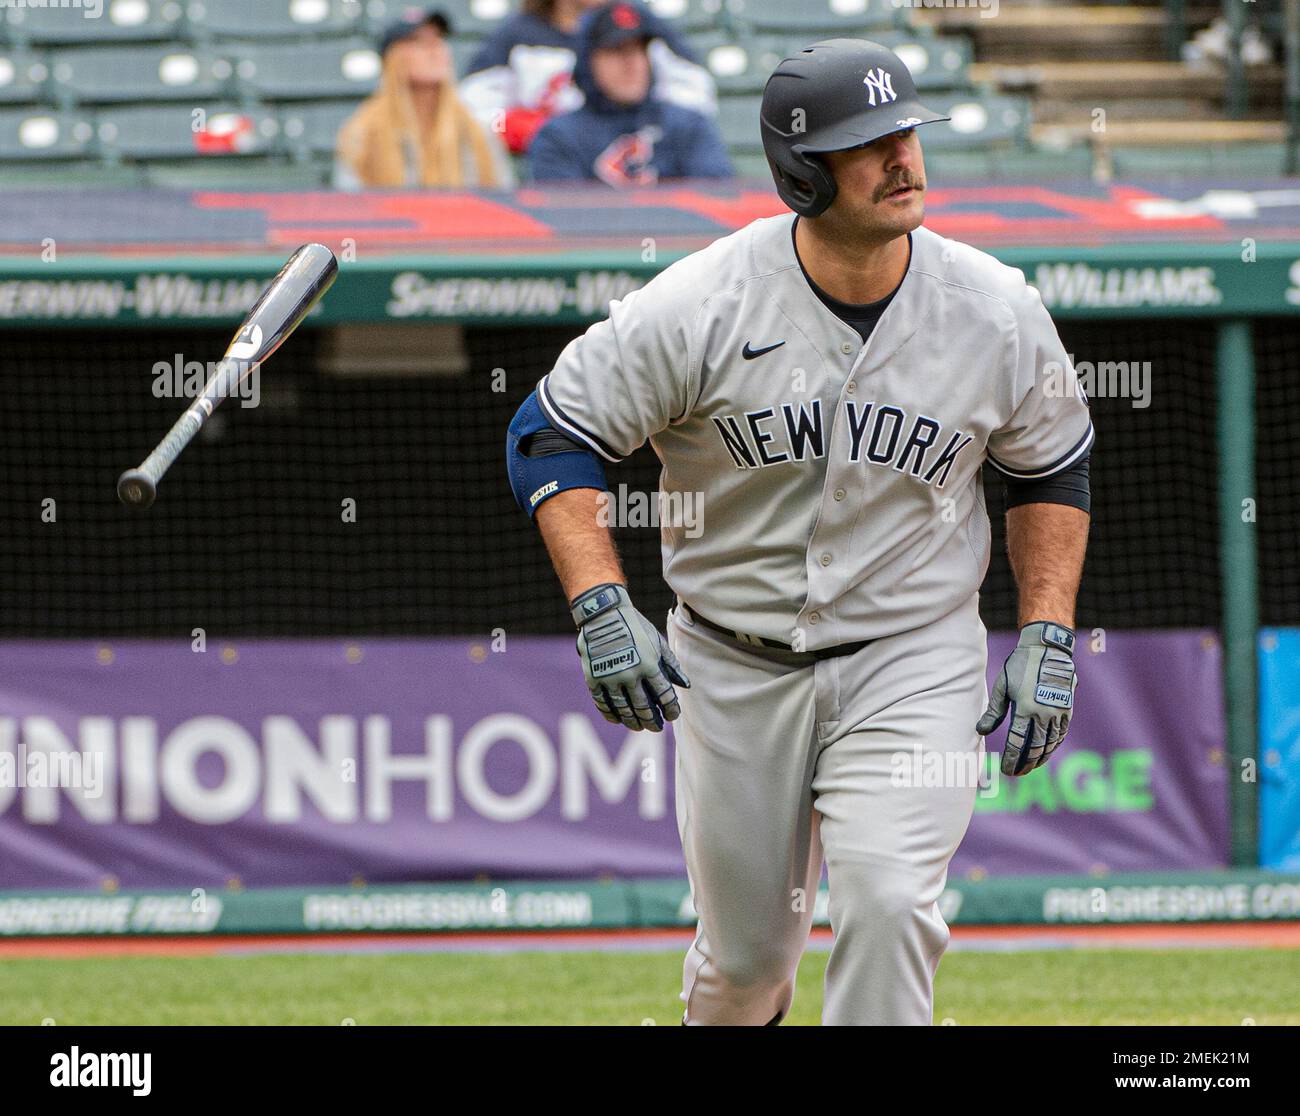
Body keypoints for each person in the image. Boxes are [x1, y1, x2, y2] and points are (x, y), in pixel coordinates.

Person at [505, 40, 1092, 1025]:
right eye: (867, 144)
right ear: (799, 170)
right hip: (732, 665)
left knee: (890, 902)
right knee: (744, 963)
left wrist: (1046, 630)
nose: (902, 159)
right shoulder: (701, 301)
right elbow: (550, 434)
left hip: (912, 654)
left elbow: (1050, 466)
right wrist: (600, 606)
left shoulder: (994, 309)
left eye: (907, 132)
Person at [460, 0, 716, 157]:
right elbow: (472, 111)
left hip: (636, 154)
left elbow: (697, 98)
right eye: (616, 50)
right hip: (555, 157)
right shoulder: (517, 34)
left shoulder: (641, 26)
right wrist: (515, 126)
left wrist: (639, 126)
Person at [527, 1, 732, 184]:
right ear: (588, 62)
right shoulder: (558, 137)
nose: (631, 63)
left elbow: (718, 202)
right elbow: (561, 219)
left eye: (638, 50)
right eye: (616, 50)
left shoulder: (688, 126)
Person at [334, 7, 515, 190]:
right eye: (419, 42)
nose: (434, 49)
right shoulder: (363, 132)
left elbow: (503, 198)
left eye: (438, 40)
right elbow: (352, 207)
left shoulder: (477, 131)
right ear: (393, 59)